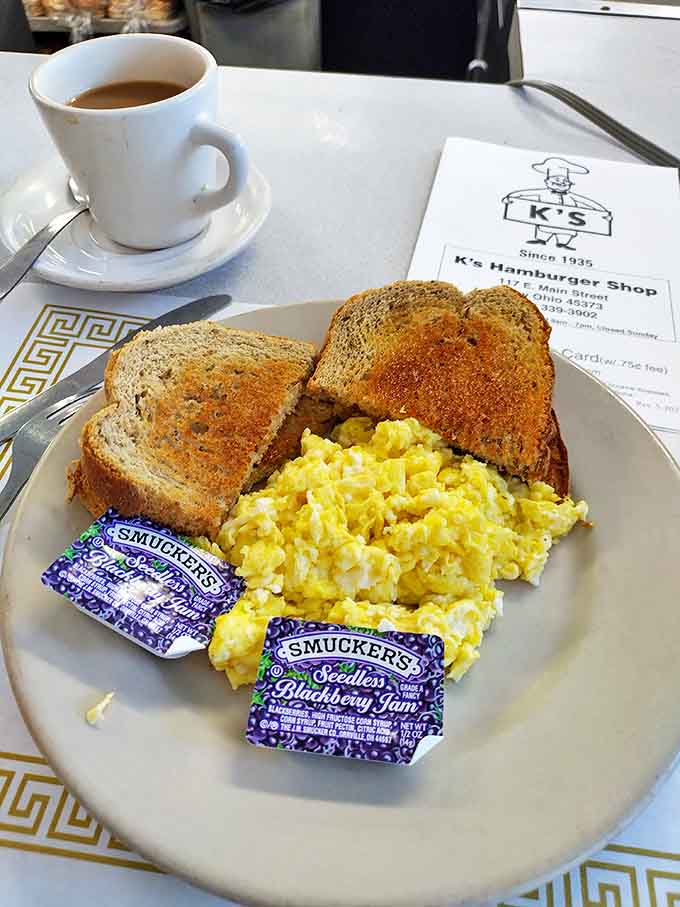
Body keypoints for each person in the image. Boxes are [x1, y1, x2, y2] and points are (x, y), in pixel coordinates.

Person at [504, 157, 610, 250]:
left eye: (565, 181)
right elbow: (525, 193)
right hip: (546, 221)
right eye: (557, 180)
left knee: (565, 233)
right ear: (547, 182)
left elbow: (588, 203)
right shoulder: (543, 192)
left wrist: (604, 213)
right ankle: (541, 240)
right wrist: (510, 198)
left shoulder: (571, 196)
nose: (561, 183)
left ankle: (562, 244)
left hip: (568, 223)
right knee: (544, 230)